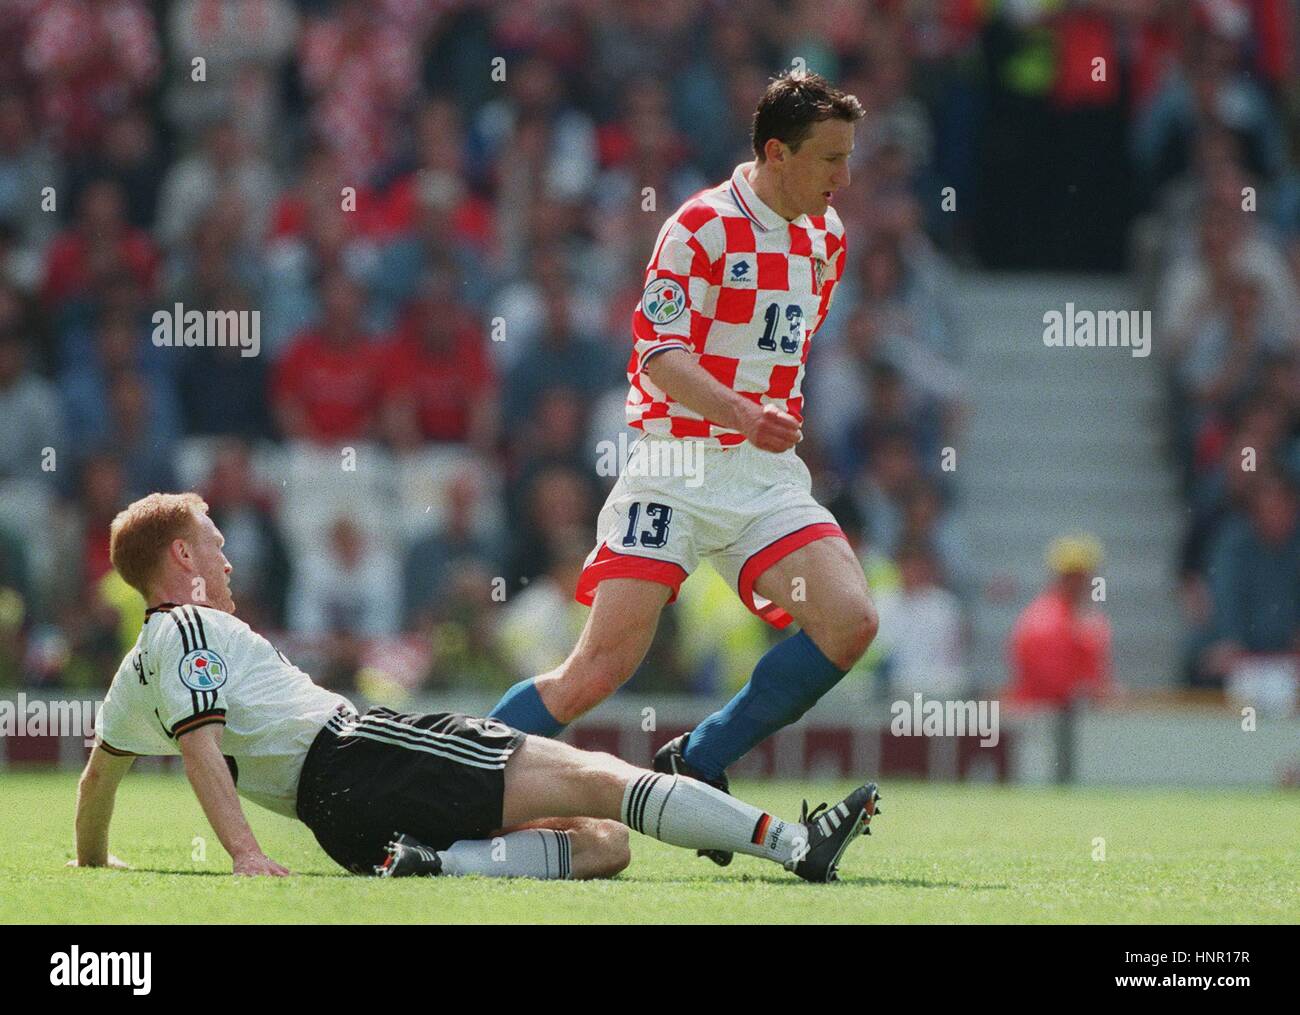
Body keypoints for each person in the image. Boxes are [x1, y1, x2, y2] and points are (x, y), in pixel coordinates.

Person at [70, 492, 880, 882]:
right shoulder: (190, 629)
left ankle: (439, 864)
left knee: (606, 844)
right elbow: (202, 747)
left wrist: (94, 861)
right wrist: (245, 854)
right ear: (181, 560)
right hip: (364, 753)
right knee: (604, 777)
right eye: (213, 544)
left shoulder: (139, 664)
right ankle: (795, 844)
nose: (226, 560)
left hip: (348, 826)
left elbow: (98, 775)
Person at [488, 71, 876, 868]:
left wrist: (758, 425)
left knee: (851, 621)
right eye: (831, 158)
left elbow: (786, 346)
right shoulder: (698, 227)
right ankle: (449, 782)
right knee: (596, 671)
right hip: (672, 466)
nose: (845, 178)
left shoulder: (825, 237)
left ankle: (699, 756)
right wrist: (741, 411)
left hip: (761, 474)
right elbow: (659, 354)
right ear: (777, 153)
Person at [1005, 536, 1112, 707]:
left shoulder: (1085, 618)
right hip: (1042, 719)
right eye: (1076, 577)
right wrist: (1096, 692)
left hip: (1067, 719)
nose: (1084, 583)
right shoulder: (1045, 620)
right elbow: (1054, 684)